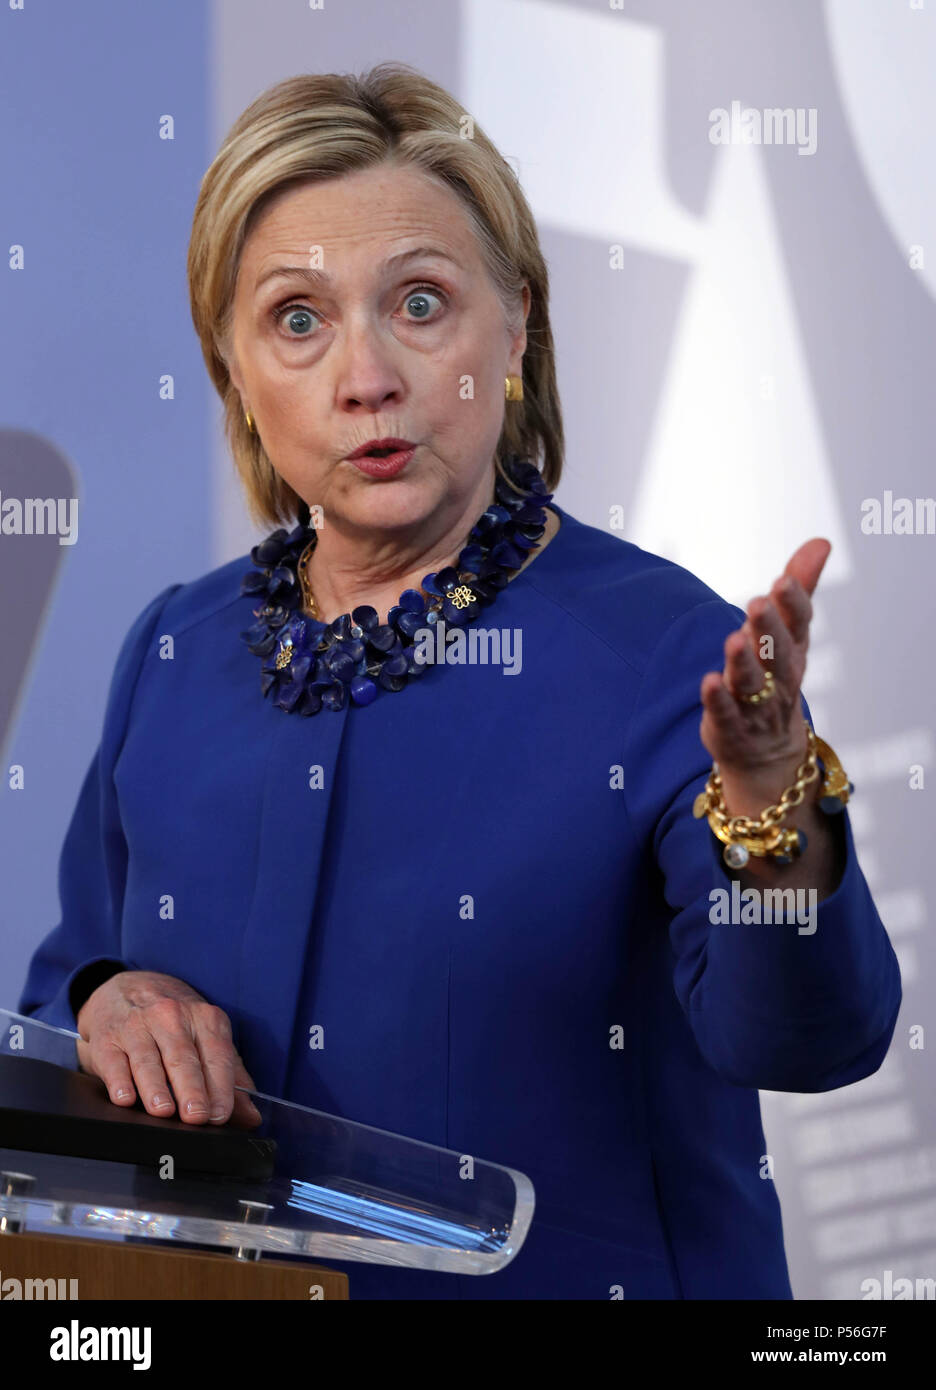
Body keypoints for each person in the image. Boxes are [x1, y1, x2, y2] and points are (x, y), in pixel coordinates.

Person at [19, 63, 900, 1300]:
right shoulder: (175, 651)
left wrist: (774, 808)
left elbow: (810, 1039)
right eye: (297, 319)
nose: (364, 375)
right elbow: (66, 982)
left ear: (517, 325)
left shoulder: (666, 654)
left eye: (420, 303)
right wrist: (114, 999)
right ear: (231, 366)